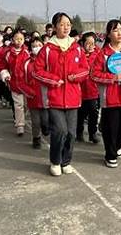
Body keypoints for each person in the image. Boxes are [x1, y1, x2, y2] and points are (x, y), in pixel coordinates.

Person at [34, 12, 89, 176]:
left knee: (71, 133)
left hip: (73, 98)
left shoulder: (77, 48)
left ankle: (66, 161)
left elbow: (85, 69)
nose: (66, 27)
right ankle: (55, 161)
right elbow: (37, 71)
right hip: (54, 97)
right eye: (62, 24)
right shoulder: (48, 49)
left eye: (68, 24)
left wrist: (75, 77)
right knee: (60, 131)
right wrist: (53, 80)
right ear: (55, 26)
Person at [91, 20, 121, 168]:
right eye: (115, 30)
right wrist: (112, 78)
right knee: (110, 128)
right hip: (109, 98)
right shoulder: (103, 54)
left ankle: (117, 145)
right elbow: (94, 74)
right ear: (108, 34)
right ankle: (110, 154)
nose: (119, 33)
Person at [0, 30, 30, 137]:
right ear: (12, 39)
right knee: (18, 104)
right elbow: (2, 66)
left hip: (26, 83)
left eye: (21, 39)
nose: (19, 41)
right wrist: (5, 74)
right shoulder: (7, 53)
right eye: (17, 39)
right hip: (15, 82)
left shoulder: (27, 52)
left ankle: (22, 118)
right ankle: (20, 124)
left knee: (26, 104)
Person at [76, 32, 101, 144]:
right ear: (82, 43)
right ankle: (79, 133)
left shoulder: (98, 55)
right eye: (88, 43)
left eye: (92, 43)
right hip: (79, 90)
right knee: (80, 114)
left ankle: (92, 133)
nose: (90, 46)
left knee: (93, 113)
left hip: (93, 90)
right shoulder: (77, 55)